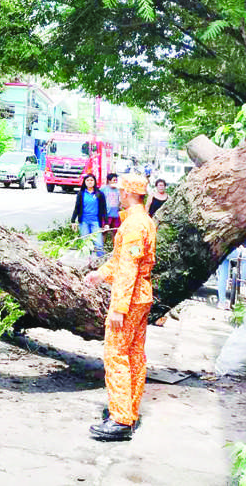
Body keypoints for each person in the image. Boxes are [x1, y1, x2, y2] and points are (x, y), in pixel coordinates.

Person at [85, 174, 156, 441]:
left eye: (121, 191)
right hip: (141, 297)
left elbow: (128, 269)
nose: (118, 195)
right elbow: (120, 262)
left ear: (127, 193)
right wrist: (100, 274)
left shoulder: (135, 225)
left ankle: (120, 419)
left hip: (130, 300)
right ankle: (129, 411)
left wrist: (118, 308)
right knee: (135, 354)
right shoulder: (143, 221)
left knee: (116, 355)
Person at [71, 173, 108, 258]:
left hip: (95, 221)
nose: (90, 182)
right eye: (87, 180)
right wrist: (73, 221)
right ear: (84, 182)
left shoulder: (99, 194)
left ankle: (100, 262)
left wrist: (106, 223)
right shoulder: (81, 194)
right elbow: (77, 207)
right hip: (84, 222)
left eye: (91, 180)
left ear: (95, 182)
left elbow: (104, 209)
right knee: (86, 245)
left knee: (99, 244)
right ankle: (89, 262)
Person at [101, 173, 122, 238]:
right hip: (106, 215)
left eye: (116, 180)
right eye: (114, 180)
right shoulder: (103, 189)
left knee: (116, 233)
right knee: (103, 232)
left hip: (116, 214)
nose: (115, 182)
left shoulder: (119, 190)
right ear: (109, 181)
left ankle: (115, 247)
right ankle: (100, 247)